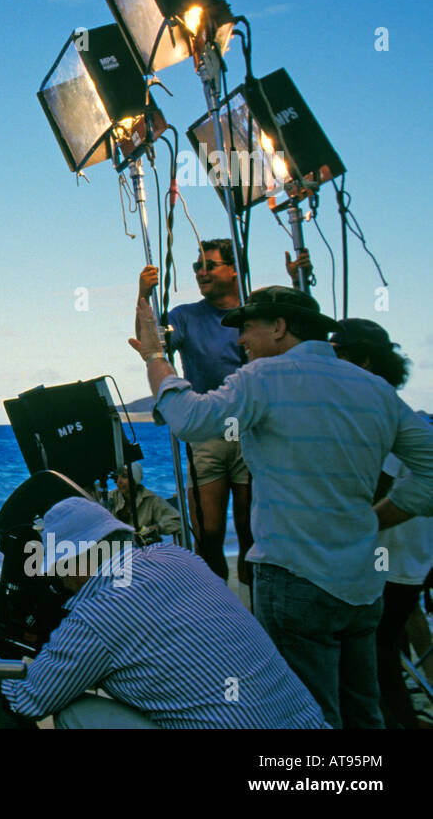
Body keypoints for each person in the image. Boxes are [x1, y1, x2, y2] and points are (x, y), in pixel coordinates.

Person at [131, 285, 433, 728]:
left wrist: (155, 358)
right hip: (363, 581)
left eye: (247, 328)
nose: (240, 341)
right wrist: (372, 519)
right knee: (363, 710)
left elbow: (191, 420)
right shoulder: (376, 390)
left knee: (306, 715)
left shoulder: (264, 379)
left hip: (295, 577)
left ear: (279, 327)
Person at [0, 497, 328, 728]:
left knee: (72, 710)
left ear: (74, 560)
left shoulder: (98, 614)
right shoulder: (179, 559)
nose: (57, 582)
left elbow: (28, 699)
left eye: (58, 570)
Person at [330, 318, 433, 728]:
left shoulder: (378, 411)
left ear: (365, 361)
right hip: (409, 561)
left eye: (339, 356)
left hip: (390, 564)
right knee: (382, 658)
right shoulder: (398, 408)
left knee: (375, 666)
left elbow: (374, 491)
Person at [138, 240, 251, 584]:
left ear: (234, 270)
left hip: (250, 431)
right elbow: (149, 341)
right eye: (196, 267)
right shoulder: (186, 316)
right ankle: (215, 604)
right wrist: (143, 294)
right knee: (208, 531)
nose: (201, 272)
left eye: (210, 265)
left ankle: (258, 605)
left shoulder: (253, 314)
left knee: (252, 531)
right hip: (206, 432)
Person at [104, 462, 182, 544]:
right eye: (116, 477)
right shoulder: (110, 497)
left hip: (143, 551)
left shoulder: (151, 500)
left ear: (135, 478)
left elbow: (176, 521)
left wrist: (158, 527)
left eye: (124, 476)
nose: (119, 481)